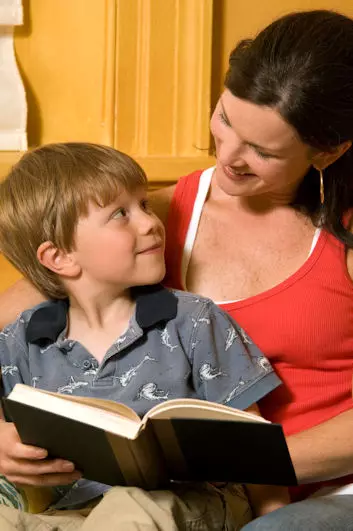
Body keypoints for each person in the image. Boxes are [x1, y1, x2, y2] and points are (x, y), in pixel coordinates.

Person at [2, 8, 353, 530]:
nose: (227, 156)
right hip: (171, 493)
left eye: (260, 150)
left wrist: (231, 464)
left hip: (313, 490)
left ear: (327, 151)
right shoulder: (157, 220)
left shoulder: (342, 232)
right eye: (226, 119)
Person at [0, 142, 287, 530]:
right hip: (71, 513)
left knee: (130, 508)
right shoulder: (22, 340)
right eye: (121, 213)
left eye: (145, 205)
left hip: (185, 503)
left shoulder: (194, 320)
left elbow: (255, 446)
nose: (150, 222)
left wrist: (278, 522)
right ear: (60, 257)